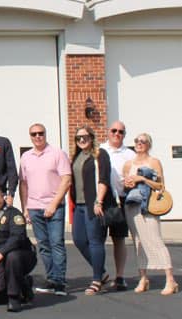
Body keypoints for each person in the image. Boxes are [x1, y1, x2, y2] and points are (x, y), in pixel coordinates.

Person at [18, 122, 71, 296]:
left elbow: (66, 180)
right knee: (43, 245)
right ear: (30, 136)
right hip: (34, 207)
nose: (37, 136)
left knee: (56, 244)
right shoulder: (26, 157)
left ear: (45, 134)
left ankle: (60, 282)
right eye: (34, 134)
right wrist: (25, 208)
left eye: (40, 133)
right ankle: (51, 278)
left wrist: (53, 204)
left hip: (54, 206)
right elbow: (23, 184)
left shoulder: (57, 153)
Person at [123, 133, 178, 295]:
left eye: (143, 141)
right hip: (132, 207)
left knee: (155, 240)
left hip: (148, 206)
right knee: (138, 242)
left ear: (149, 145)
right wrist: (128, 183)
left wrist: (142, 179)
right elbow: (125, 186)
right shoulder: (128, 164)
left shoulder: (154, 162)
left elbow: (160, 186)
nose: (139, 143)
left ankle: (170, 280)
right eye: (137, 141)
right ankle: (143, 278)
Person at [70, 125, 115, 295]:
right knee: (79, 240)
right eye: (78, 137)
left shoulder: (100, 154)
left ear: (92, 137)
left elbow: (103, 179)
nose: (82, 140)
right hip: (79, 205)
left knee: (95, 241)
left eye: (85, 136)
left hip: (93, 205)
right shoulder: (77, 156)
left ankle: (97, 280)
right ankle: (101, 272)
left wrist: (99, 201)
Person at [103, 120, 136, 291]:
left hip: (121, 200)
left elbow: (135, 176)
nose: (117, 134)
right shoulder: (100, 150)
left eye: (121, 132)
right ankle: (99, 275)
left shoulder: (130, 154)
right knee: (96, 239)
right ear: (108, 132)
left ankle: (120, 276)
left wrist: (131, 182)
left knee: (119, 238)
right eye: (114, 130)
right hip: (102, 200)